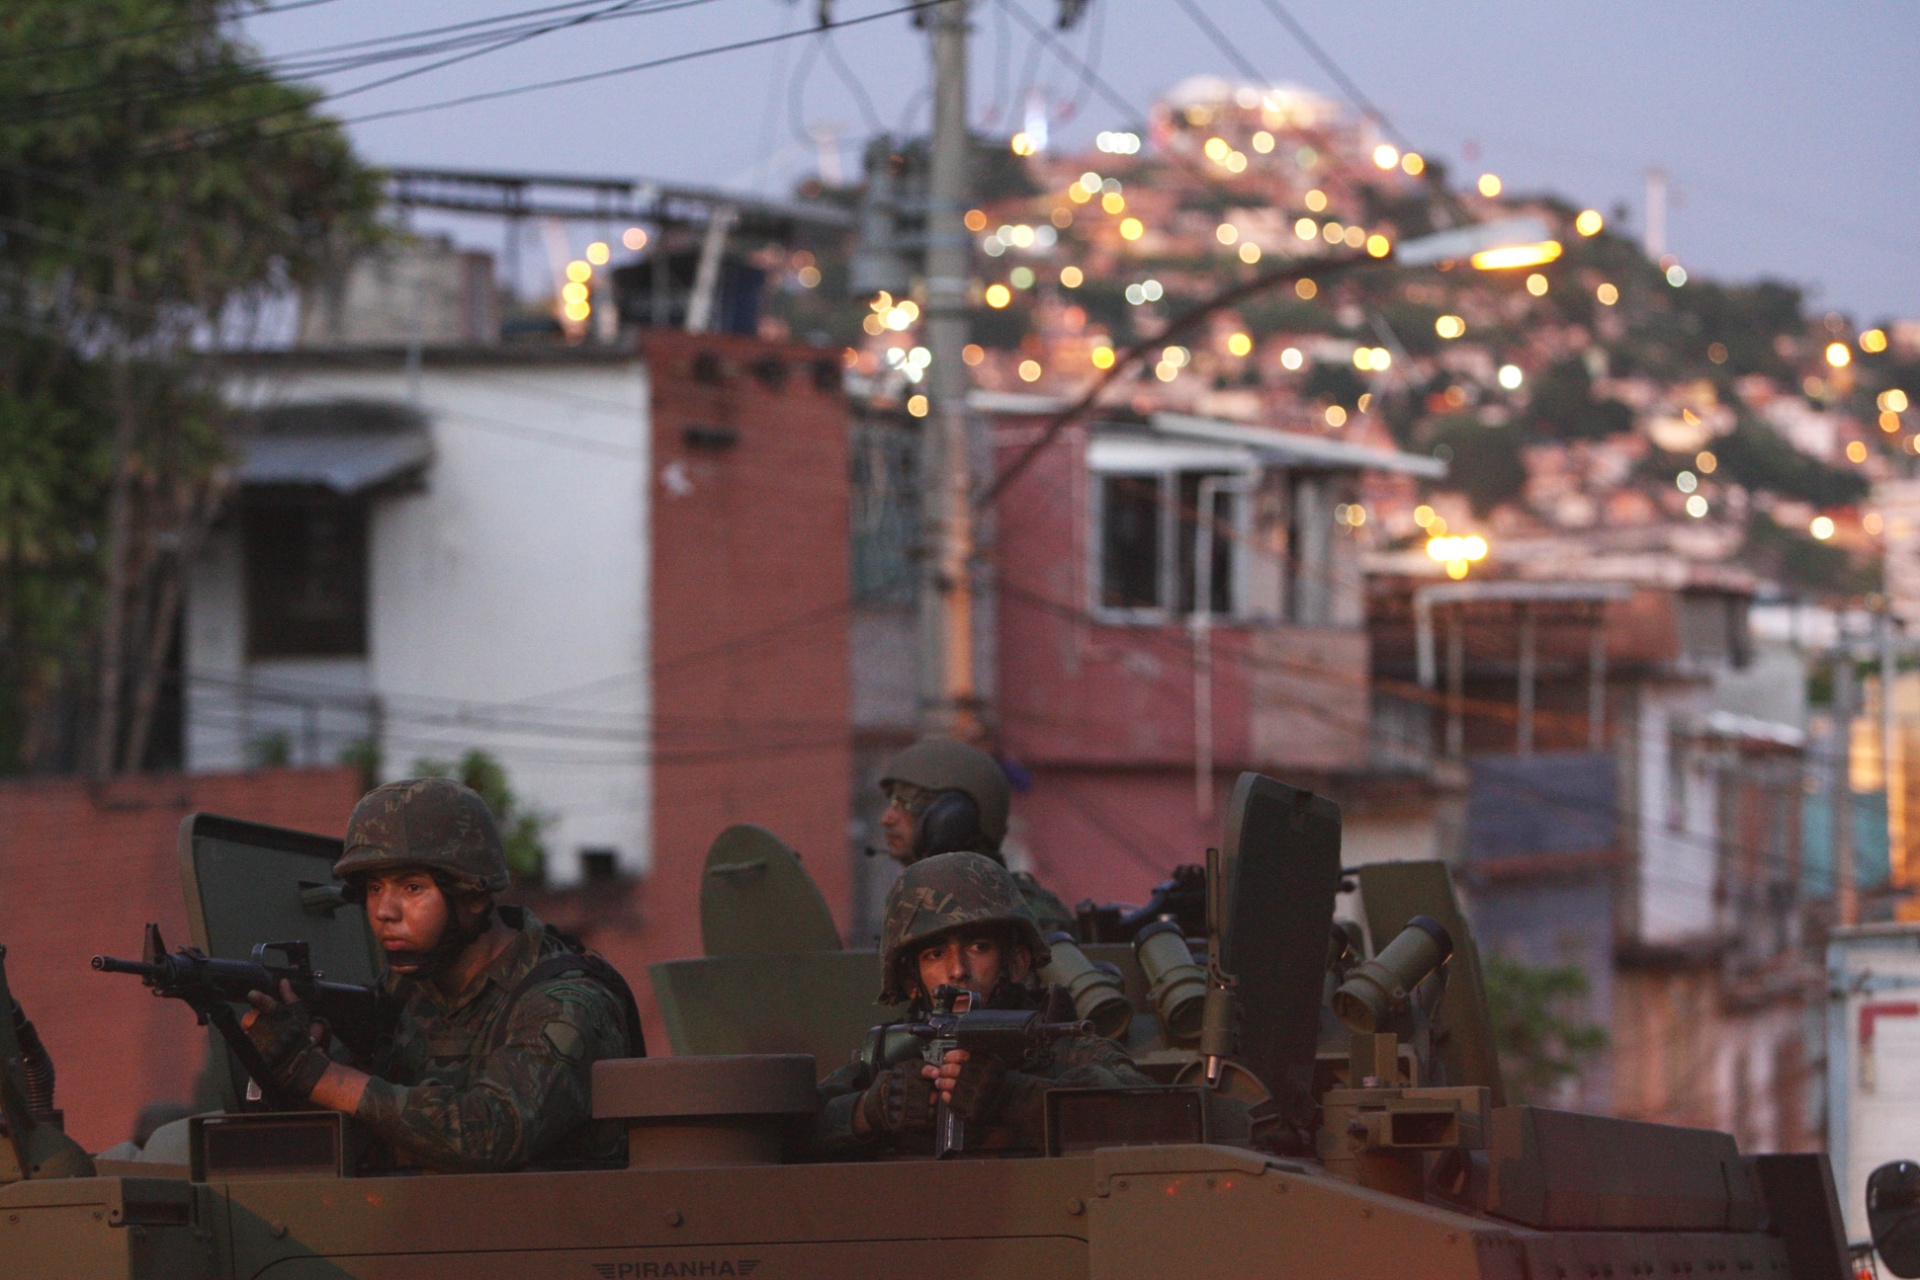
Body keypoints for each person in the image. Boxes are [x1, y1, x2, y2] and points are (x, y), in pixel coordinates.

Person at [240, 777, 639, 1173]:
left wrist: (321, 1076)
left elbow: (493, 1132)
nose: (385, 911)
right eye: (375, 887)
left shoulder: (566, 1003)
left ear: (474, 896)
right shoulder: (404, 993)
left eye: (412, 887)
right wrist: (300, 1056)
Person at [815, 852, 1150, 1157]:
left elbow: (1151, 1117)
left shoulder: (1060, 1049)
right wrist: (867, 1112)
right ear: (911, 982)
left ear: (1016, 963)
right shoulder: (890, 1056)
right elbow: (784, 1135)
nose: (958, 969)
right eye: (935, 954)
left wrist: (1015, 1097)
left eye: (978, 947)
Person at [876, 738, 1074, 932]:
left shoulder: (1019, 915)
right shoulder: (920, 905)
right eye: (892, 803)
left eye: (904, 804)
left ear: (953, 817)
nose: (886, 818)